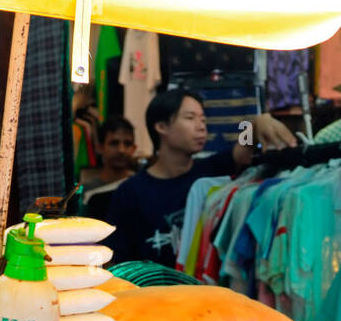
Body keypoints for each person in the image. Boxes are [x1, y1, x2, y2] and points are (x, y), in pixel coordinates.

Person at [106, 87, 296, 266]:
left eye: (203, 120)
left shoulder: (210, 172)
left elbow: (244, 150)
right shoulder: (130, 192)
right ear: (162, 126)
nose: (201, 127)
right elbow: (119, 261)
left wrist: (254, 125)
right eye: (190, 118)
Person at [81, 117, 138, 219]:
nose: (121, 150)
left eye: (127, 144)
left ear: (134, 148)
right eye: (114, 143)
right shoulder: (88, 192)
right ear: (100, 147)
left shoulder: (140, 185)